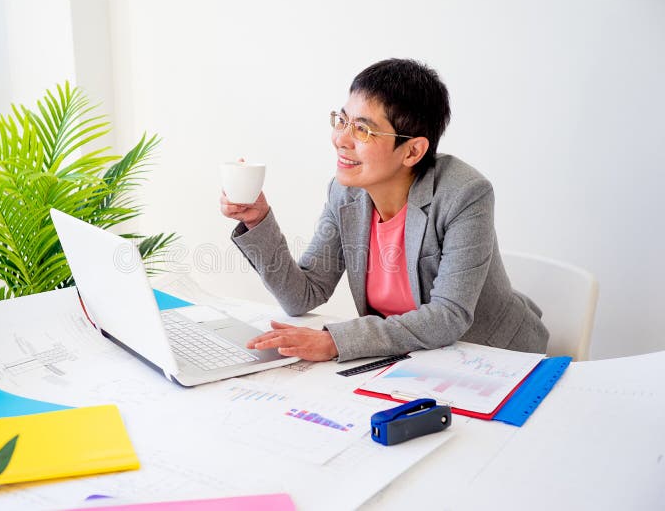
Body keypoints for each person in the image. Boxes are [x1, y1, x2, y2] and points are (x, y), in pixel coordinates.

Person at [219, 58, 549, 362]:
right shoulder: (345, 192)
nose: (341, 140)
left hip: (493, 358)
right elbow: (303, 296)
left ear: (413, 151)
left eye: (362, 129)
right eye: (342, 120)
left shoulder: (465, 194)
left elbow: (449, 316)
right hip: (410, 359)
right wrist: (257, 220)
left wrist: (335, 341)